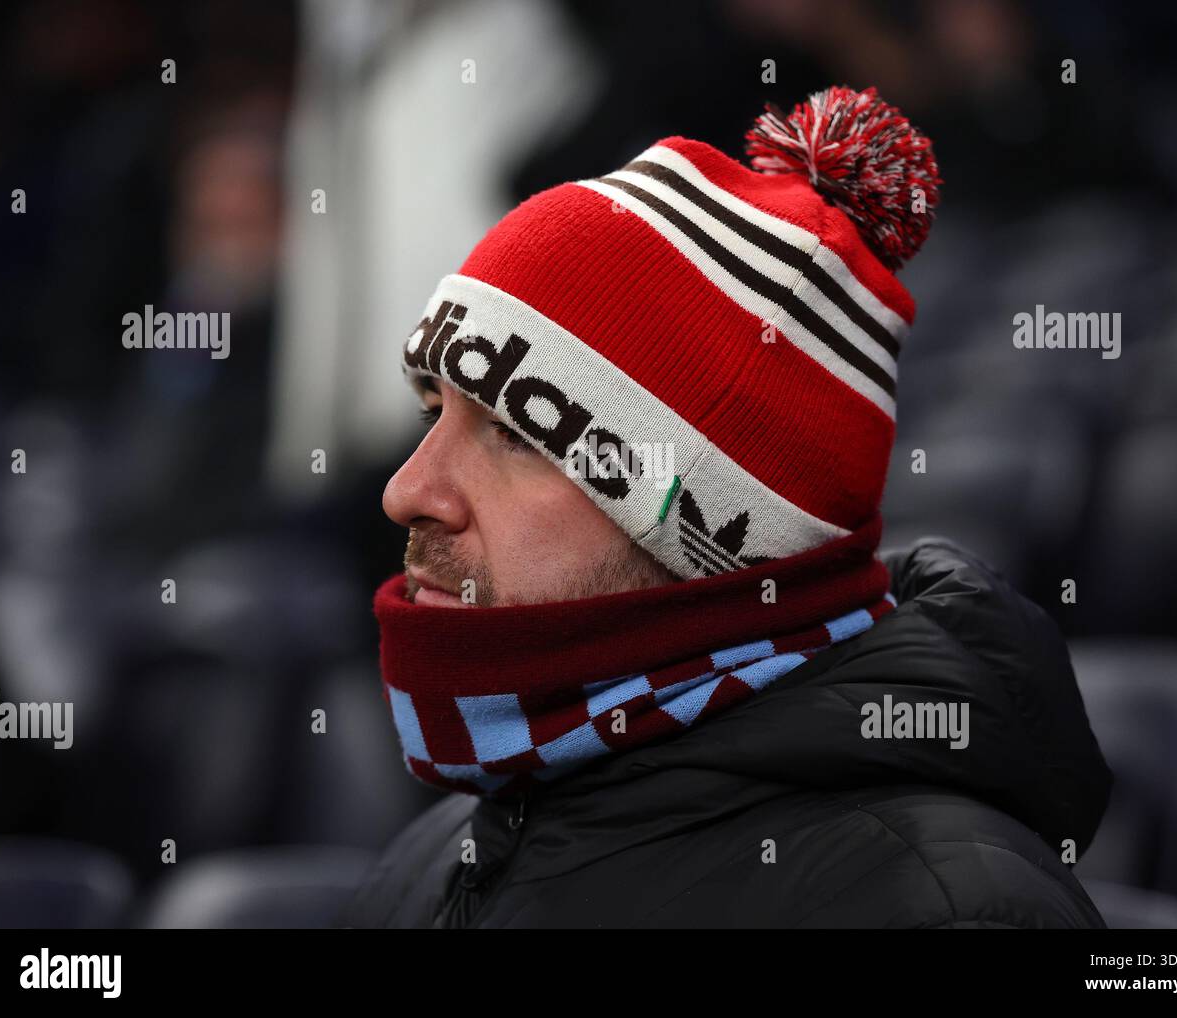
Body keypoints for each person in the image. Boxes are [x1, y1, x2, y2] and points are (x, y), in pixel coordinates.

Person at [338, 86, 1112, 928]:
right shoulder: (433, 857)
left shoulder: (944, 907)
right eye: (430, 414)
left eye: (518, 437)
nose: (406, 491)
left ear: (711, 535)